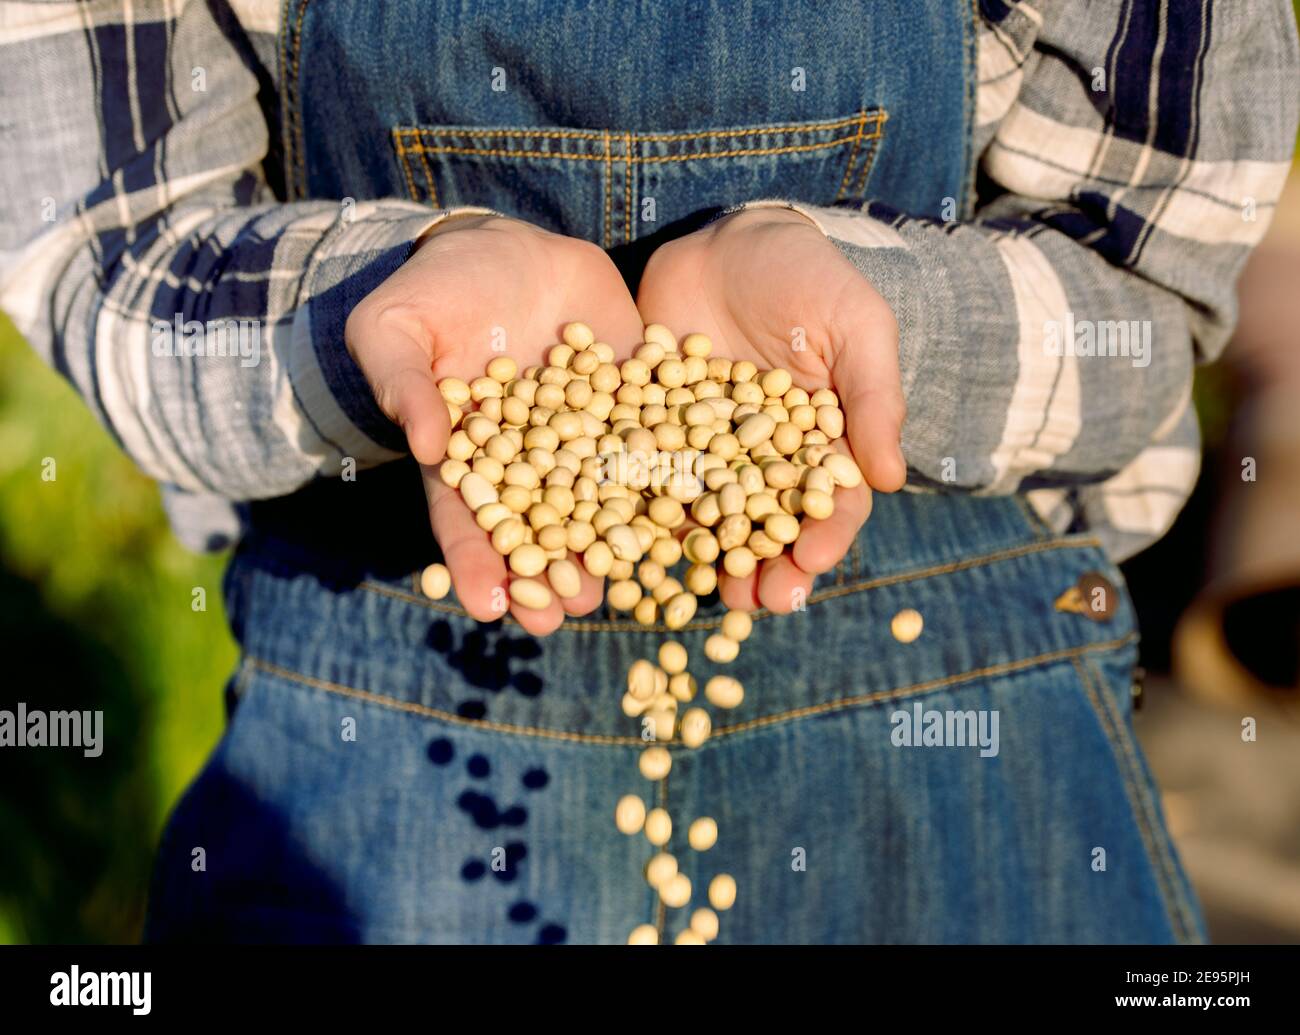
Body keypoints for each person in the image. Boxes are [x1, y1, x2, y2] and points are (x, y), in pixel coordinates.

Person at [1, 0, 1295, 944]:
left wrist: (898, 323)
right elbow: (107, 257)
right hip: (392, 675)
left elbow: (1149, 293)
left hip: (961, 698)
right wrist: (380, 317)